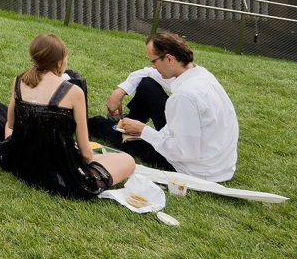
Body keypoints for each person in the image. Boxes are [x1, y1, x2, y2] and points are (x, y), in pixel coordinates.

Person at [0, 34, 135, 198]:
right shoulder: (74, 92)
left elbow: (10, 125)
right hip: (61, 175)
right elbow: (86, 153)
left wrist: (15, 148)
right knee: (127, 160)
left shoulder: (19, 81)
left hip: (19, 162)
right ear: (60, 61)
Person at [89, 32, 239, 182]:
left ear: (169, 59)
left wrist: (143, 130)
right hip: (214, 160)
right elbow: (148, 74)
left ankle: (93, 124)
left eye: (154, 61)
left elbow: (184, 152)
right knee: (147, 84)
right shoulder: (200, 74)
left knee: (106, 129)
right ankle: (127, 123)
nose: (153, 66)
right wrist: (120, 91)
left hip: (193, 168)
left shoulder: (184, 97)